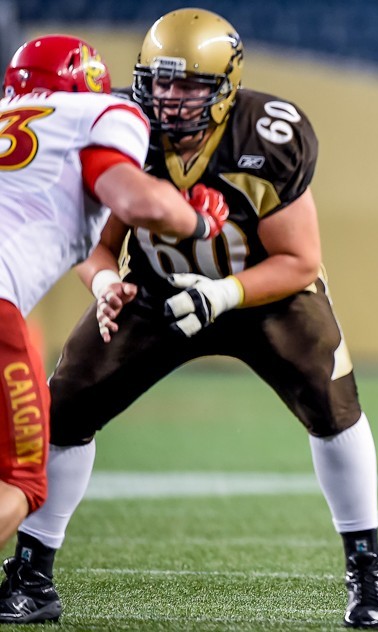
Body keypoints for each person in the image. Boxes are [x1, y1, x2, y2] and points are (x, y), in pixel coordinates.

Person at [0, 9, 378, 629]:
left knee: (334, 406)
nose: (170, 99)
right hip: (155, 292)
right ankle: (31, 575)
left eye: (187, 87)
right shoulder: (127, 129)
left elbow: (300, 260)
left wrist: (224, 296)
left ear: (226, 88)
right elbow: (97, 245)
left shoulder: (265, 137)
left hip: (265, 295)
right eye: (159, 83)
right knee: (68, 406)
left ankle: (366, 567)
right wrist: (105, 284)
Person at [0, 30, 230, 589]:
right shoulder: (99, 112)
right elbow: (135, 199)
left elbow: (71, 228)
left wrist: (103, 280)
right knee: (22, 484)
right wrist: (197, 218)